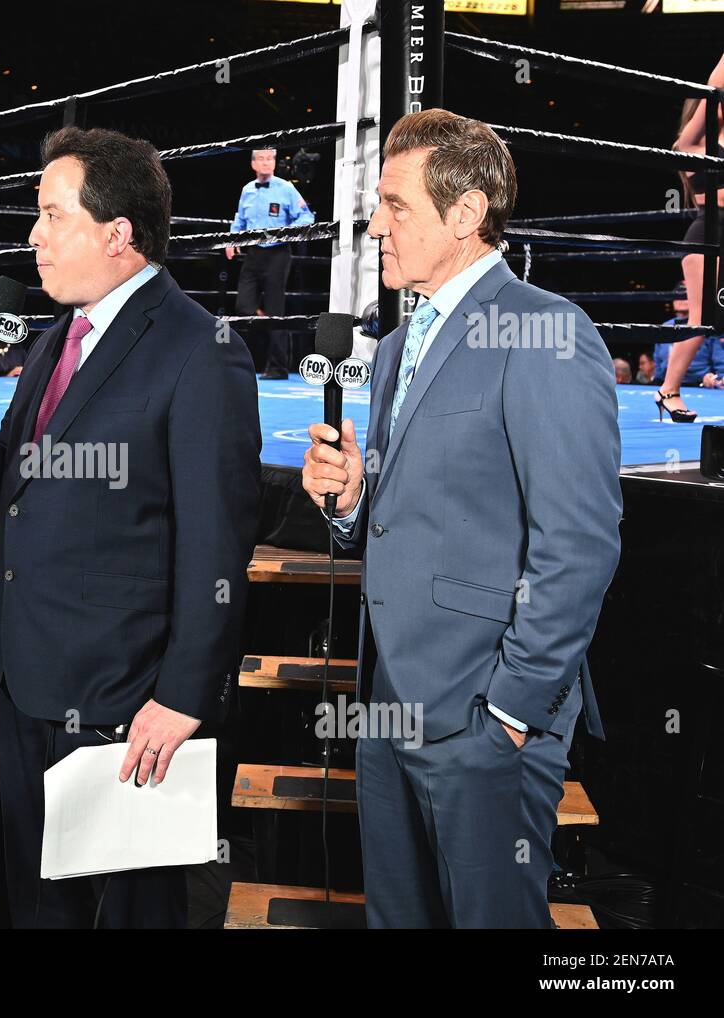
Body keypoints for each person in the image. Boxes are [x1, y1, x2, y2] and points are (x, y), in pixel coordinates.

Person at [0, 126, 261, 929]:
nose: (34, 236)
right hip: (25, 682)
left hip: (127, 706)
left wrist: (185, 696)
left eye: (53, 215)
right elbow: (31, 489)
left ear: (118, 235)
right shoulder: (53, 340)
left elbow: (219, 542)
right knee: (40, 912)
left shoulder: (201, 351)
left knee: (124, 919)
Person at [301, 109, 622, 928]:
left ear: (466, 213)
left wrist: (509, 716)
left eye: (395, 205)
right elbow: (399, 516)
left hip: (484, 721)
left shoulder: (546, 332)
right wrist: (348, 502)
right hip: (389, 705)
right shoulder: (403, 340)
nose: (376, 225)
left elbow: (578, 547)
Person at [658, 52, 724, 422]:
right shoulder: (696, 148)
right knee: (701, 319)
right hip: (709, 234)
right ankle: (669, 391)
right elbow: (715, 86)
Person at [226, 148, 314, 378]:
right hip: (254, 253)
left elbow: (307, 217)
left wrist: (286, 232)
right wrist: (231, 240)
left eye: (270, 158)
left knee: (277, 310)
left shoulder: (285, 188)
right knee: (243, 306)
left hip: (278, 253)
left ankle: (278, 367)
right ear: (253, 164)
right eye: (262, 159)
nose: (266, 163)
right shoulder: (247, 190)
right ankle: (238, 361)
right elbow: (240, 219)